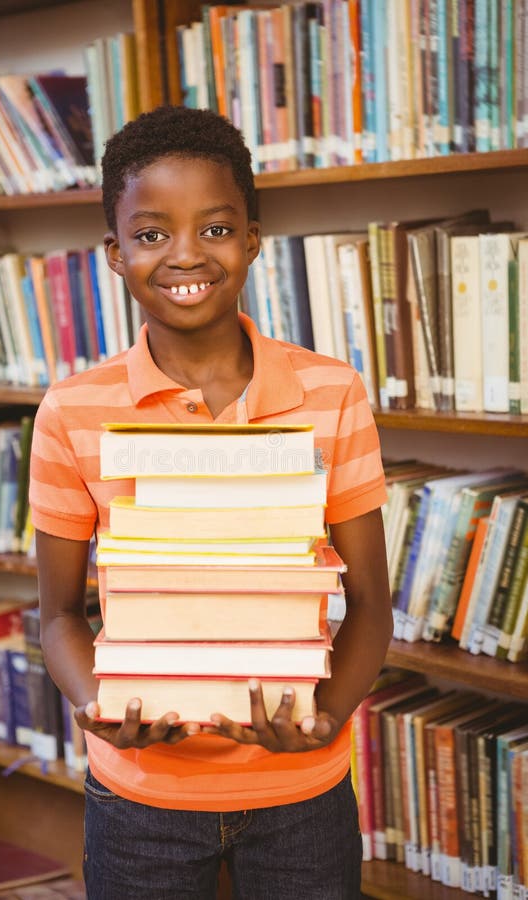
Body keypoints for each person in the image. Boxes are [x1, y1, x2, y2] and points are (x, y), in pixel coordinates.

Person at [29, 105, 393, 900]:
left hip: (302, 791)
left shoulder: (330, 392)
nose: (185, 254)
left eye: (216, 228)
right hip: (139, 797)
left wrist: (326, 717)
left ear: (254, 240)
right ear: (114, 255)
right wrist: (98, 702)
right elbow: (58, 614)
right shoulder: (71, 410)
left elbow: (370, 604)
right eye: (152, 234)